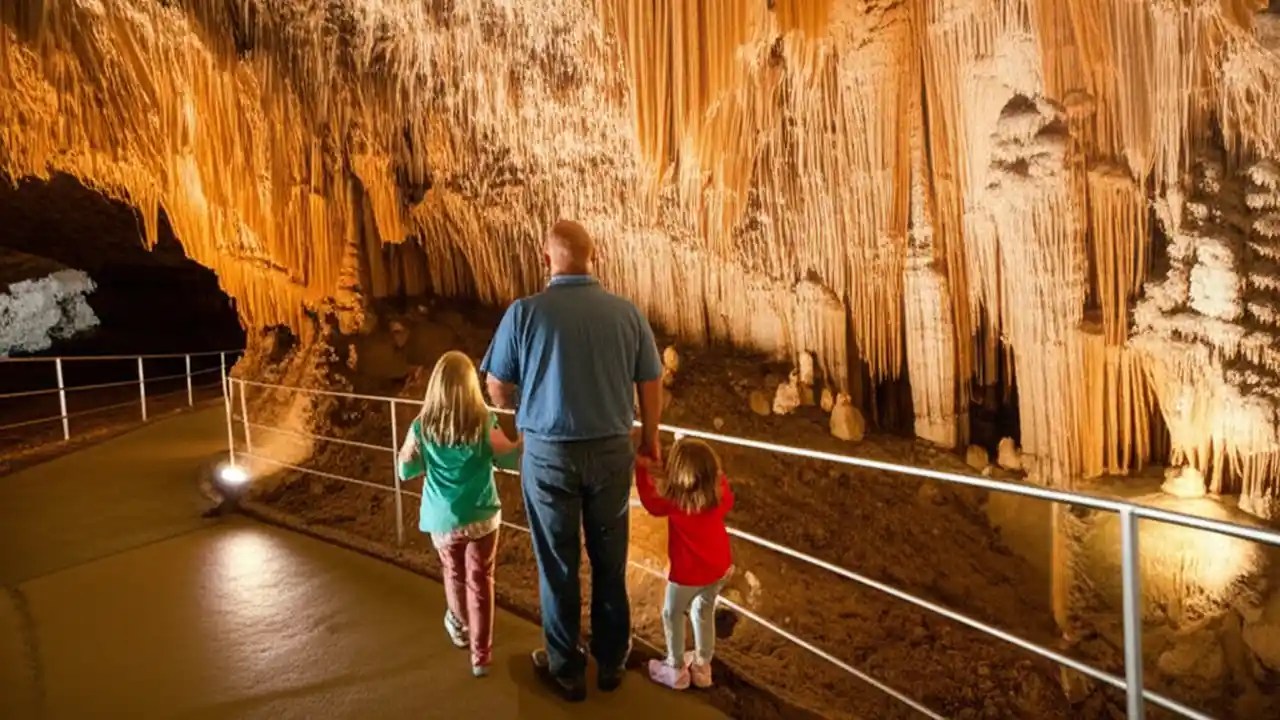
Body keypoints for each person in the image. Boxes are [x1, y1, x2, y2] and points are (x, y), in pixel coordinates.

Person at [480, 219, 664, 701]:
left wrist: (522, 403)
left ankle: (565, 668)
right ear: (594, 255)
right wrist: (651, 437)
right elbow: (649, 379)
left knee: (558, 563)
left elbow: (496, 385)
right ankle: (610, 660)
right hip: (609, 453)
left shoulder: (524, 314)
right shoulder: (627, 314)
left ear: (546, 259)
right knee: (610, 559)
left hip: (549, 456)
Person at [397, 350, 521, 678]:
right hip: (481, 516)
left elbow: (406, 469)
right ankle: (481, 656)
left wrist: (413, 455)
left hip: (443, 520)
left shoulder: (422, 426)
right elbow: (508, 458)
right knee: (481, 580)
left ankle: (460, 625)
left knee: (454, 573)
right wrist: (525, 439)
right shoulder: (482, 421)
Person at [634, 437, 735, 690]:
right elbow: (726, 491)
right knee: (703, 611)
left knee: (672, 613)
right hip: (718, 569)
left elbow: (650, 501)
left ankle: (676, 668)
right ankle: (702, 667)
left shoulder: (676, 504)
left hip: (688, 576)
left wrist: (642, 469)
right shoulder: (719, 498)